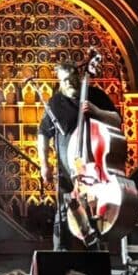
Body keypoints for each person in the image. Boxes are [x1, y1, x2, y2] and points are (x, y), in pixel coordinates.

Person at [35, 50, 122, 250]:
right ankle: (61, 254)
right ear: (59, 82)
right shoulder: (56, 103)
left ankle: (97, 251)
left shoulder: (96, 96)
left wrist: (97, 112)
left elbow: (117, 121)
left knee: (96, 212)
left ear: (79, 77)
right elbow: (43, 134)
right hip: (69, 171)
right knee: (65, 213)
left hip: (95, 170)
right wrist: (44, 165)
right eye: (65, 81)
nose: (69, 84)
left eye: (73, 79)